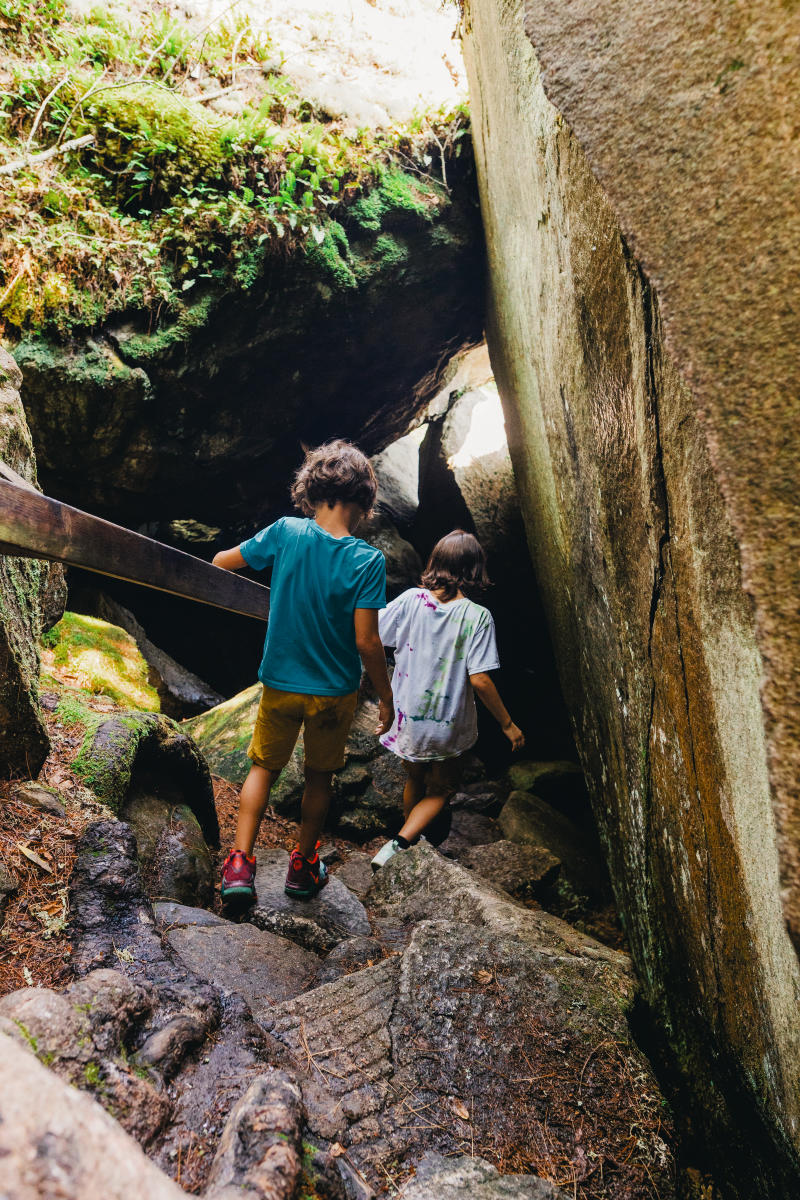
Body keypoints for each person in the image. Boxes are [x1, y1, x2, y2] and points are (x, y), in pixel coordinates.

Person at [213, 440, 394, 902]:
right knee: (319, 778)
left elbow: (221, 563)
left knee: (262, 768)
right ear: (364, 501)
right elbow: (367, 641)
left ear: (314, 491)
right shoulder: (368, 562)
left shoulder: (287, 532)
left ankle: (238, 865)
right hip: (334, 692)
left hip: (279, 682)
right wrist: (387, 697)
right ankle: (302, 866)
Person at [371, 529, 524, 870]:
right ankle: (399, 845)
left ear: (436, 562)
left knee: (415, 778)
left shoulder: (411, 600)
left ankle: (409, 848)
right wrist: (507, 724)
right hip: (447, 723)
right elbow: (480, 679)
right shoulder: (477, 617)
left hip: (407, 717)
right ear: (474, 570)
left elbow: (373, 636)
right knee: (441, 790)